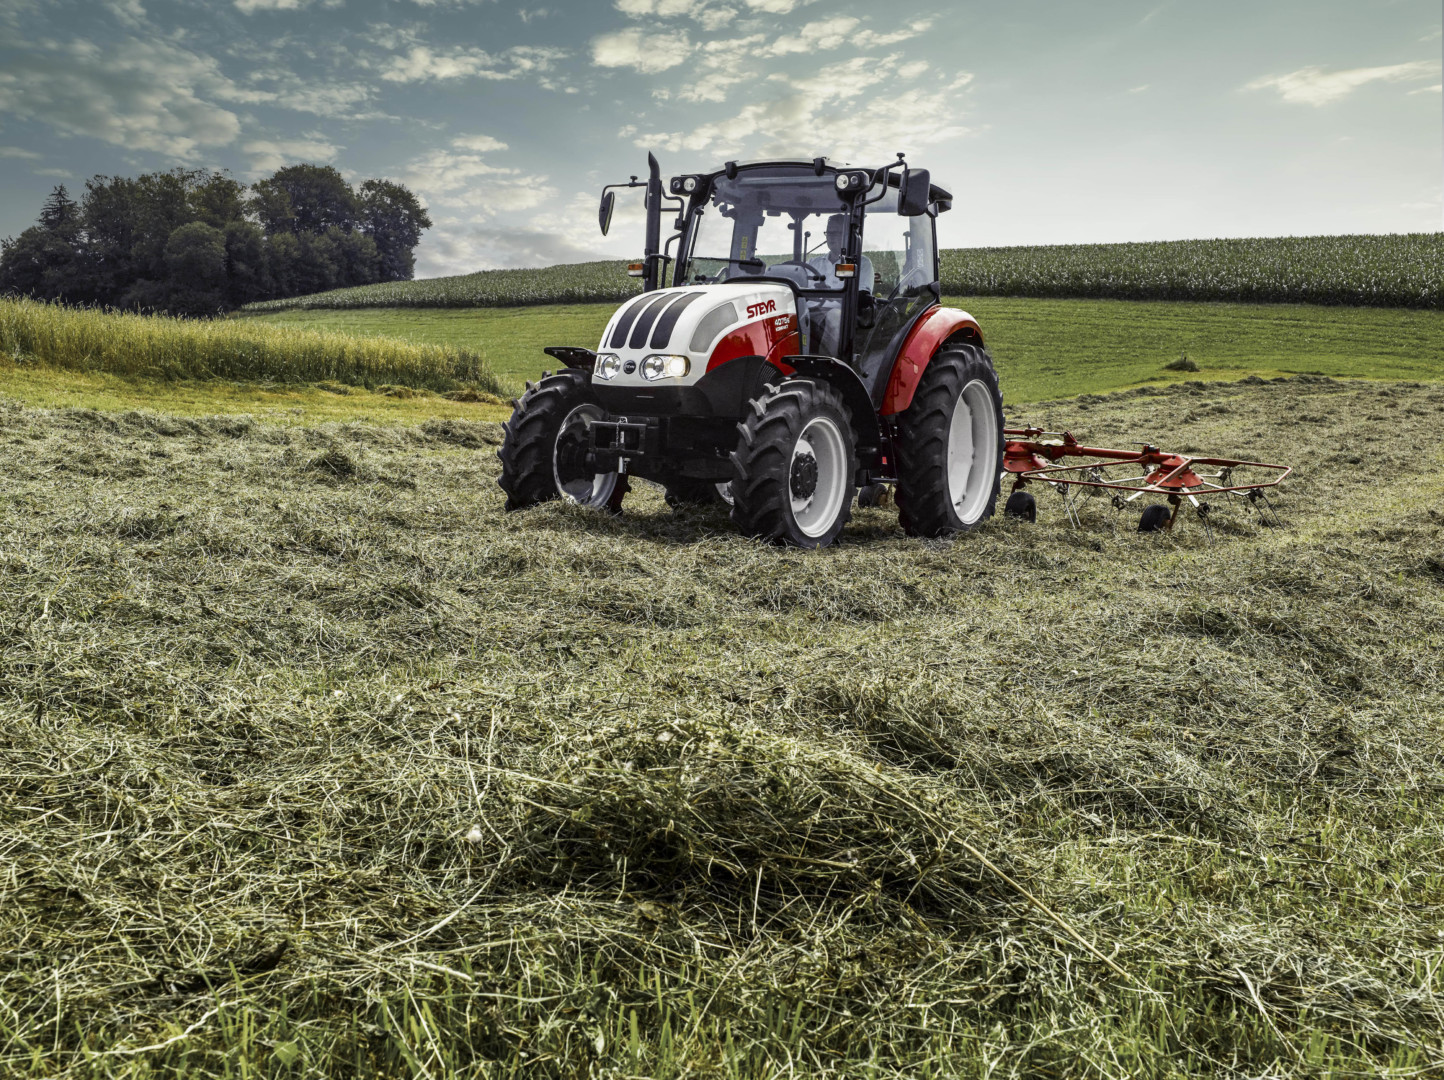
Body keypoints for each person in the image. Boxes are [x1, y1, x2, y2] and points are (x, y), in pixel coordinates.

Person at [804, 214, 873, 358]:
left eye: (837, 232)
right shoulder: (813, 262)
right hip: (808, 310)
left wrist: (828, 293)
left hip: (839, 311)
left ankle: (827, 368)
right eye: (829, 232)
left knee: (835, 318)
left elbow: (860, 297)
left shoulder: (861, 263)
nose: (831, 236)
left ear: (848, 234)